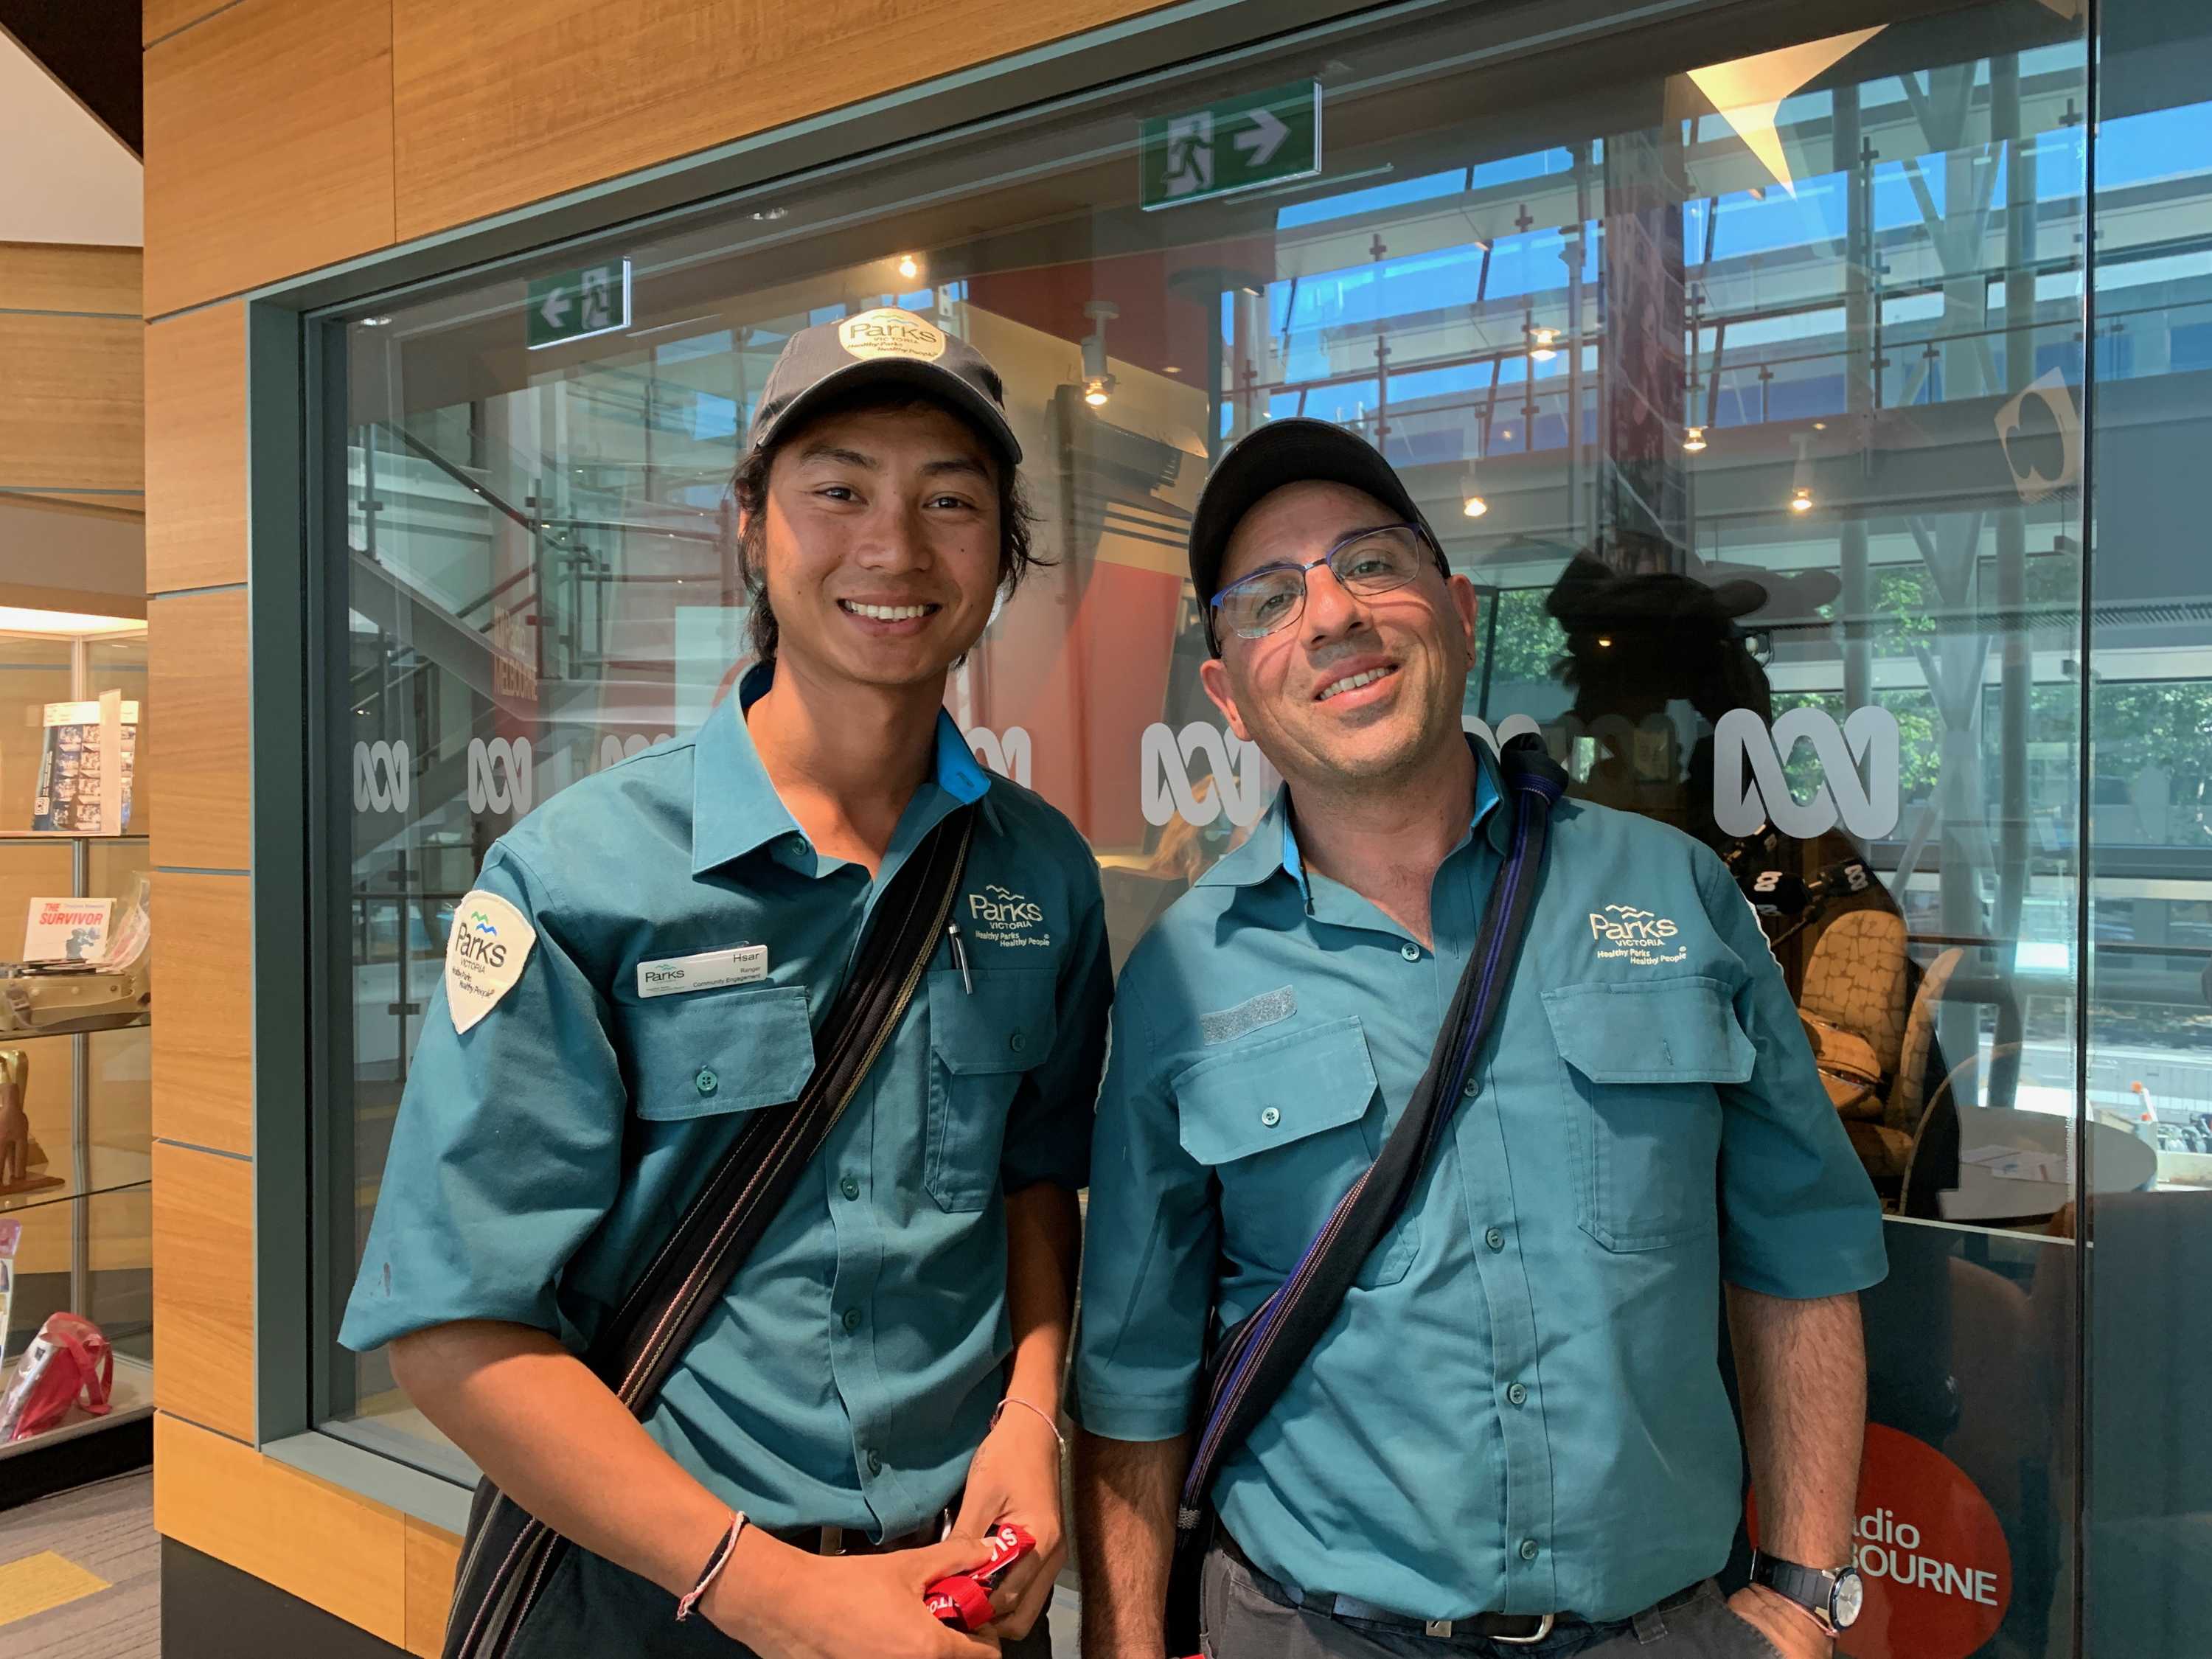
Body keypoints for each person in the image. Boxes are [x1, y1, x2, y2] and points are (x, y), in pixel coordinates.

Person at [341, 309, 1111, 1658]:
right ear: (748, 523)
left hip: (963, 1593)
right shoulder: (575, 881)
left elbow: (1034, 1177)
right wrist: (777, 1598)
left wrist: (1031, 1417)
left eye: (950, 500)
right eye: (839, 489)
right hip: (662, 1599)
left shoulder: (1041, 871)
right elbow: (453, 1329)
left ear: (1002, 554)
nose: (895, 546)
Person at [1072, 418, 1888, 1659]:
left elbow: (1801, 1250)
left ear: (1452, 609)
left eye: (1371, 563)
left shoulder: (1675, 894)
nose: (1334, 612)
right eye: (1271, 598)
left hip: (1660, 1631)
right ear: (1229, 694)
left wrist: (1807, 1592)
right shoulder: (1185, 973)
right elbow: (1133, 1377)